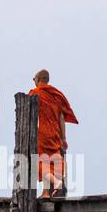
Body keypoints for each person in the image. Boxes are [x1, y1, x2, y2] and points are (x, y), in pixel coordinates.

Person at [29, 69, 78, 197]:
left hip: (42, 132)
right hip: (55, 133)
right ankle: (45, 192)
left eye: (34, 79)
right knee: (50, 162)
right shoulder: (56, 95)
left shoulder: (35, 93)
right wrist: (63, 138)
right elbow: (61, 118)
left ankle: (56, 182)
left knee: (39, 163)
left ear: (38, 79)